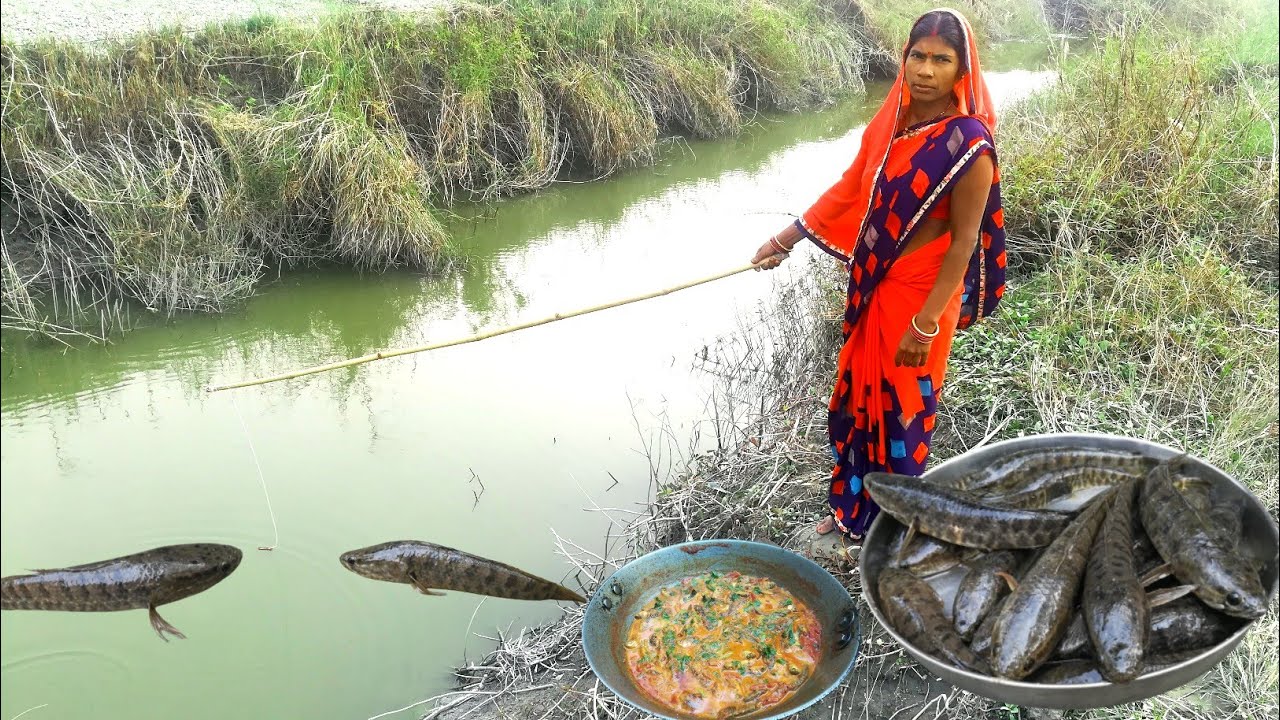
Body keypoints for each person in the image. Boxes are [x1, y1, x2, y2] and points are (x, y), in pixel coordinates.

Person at [750, 8, 1007, 547]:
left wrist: (927, 324)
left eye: (942, 59)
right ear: (903, 58)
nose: (926, 70)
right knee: (858, 402)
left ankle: (891, 527)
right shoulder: (891, 126)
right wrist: (784, 239)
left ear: (962, 69)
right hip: (874, 289)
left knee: (901, 412)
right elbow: (850, 189)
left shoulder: (969, 145)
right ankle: (852, 510)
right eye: (918, 55)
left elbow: (963, 243)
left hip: (920, 299)